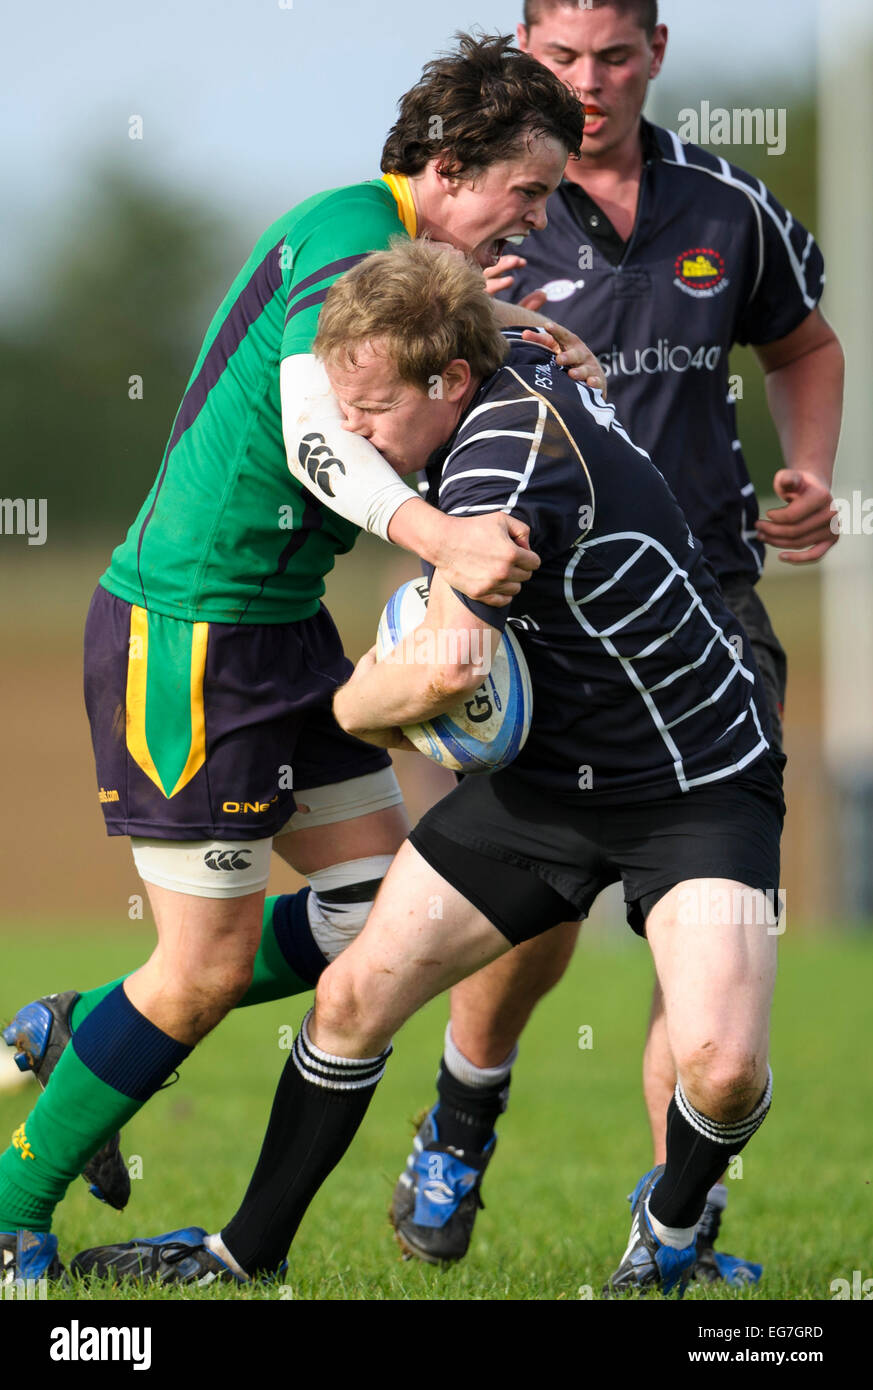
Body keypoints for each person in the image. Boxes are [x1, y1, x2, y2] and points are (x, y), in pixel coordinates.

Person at [72, 240, 785, 1296]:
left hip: (697, 779)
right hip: (544, 787)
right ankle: (242, 1254)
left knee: (721, 1069)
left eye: (369, 410)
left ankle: (672, 1234)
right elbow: (520, 326)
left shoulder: (499, 466)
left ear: (447, 383)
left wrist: (339, 705)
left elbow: (439, 673)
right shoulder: (503, 355)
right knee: (355, 993)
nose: (351, 435)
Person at [0, 33, 601, 1283]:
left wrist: (512, 344)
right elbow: (319, 431)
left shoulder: (420, 275)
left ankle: (77, 1029)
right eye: (527, 193)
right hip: (188, 630)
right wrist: (445, 539)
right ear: (447, 166)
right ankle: (16, 1205)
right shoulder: (347, 234)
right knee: (203, 972)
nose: (538, 220)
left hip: (286, 631)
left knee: (383, 914)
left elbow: (412, 405)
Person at [386, 0, 844, 1283]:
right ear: (525, 52)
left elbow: (805, 341)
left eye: (614, 56)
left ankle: (675, 1243)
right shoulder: (476, 215)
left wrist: (809, 471)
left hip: (711, 617)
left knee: (700, 932)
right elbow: (377, 385)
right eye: (559, 58)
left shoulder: (729, 207)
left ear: (657, 52)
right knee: (526, 912)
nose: (588, 83)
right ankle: (462, 1118)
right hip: (538, 623)